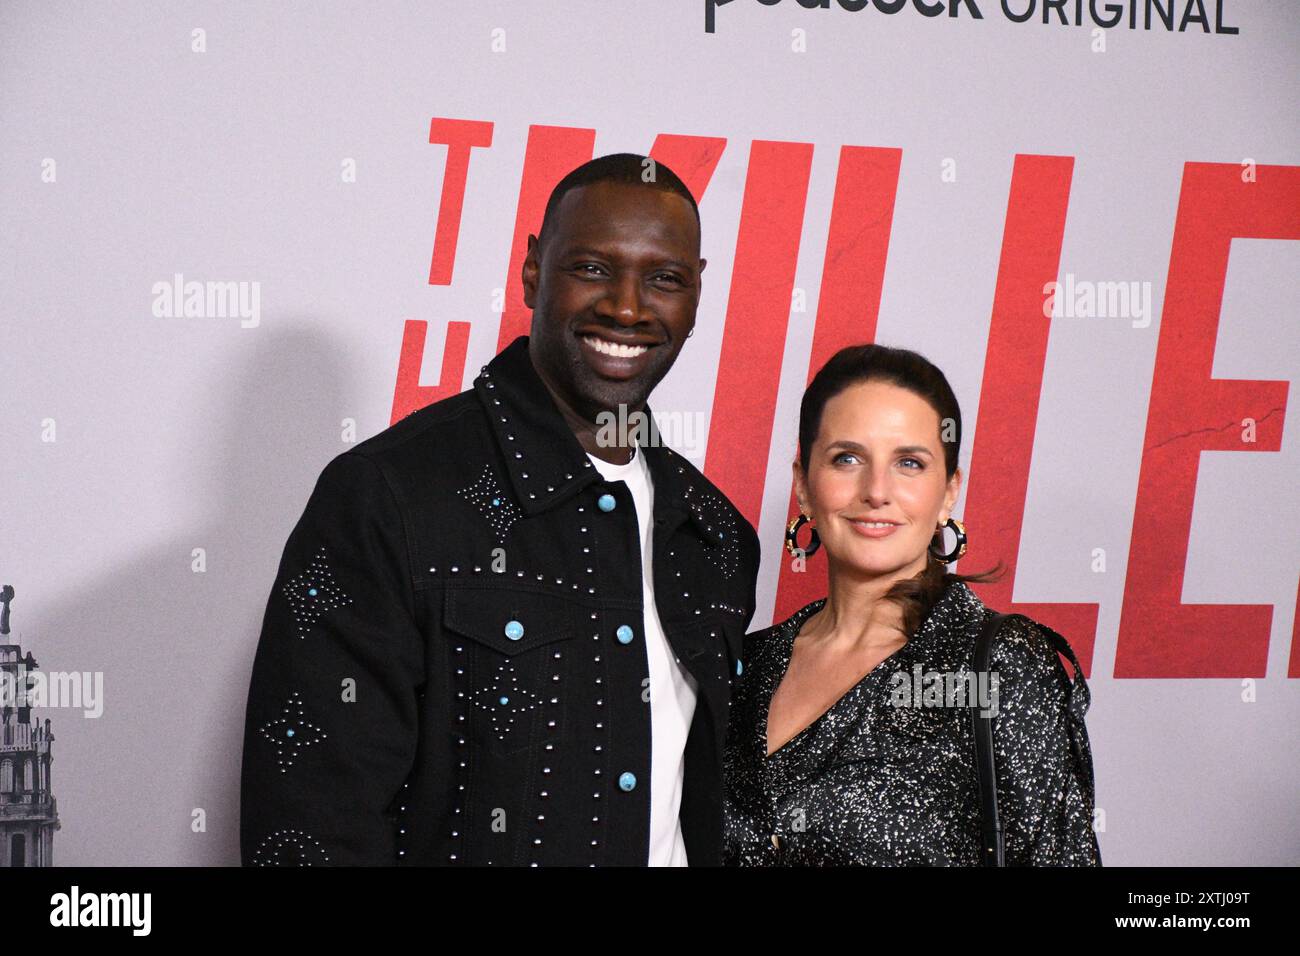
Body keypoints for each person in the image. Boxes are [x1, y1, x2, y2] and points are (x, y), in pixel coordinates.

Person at [239, 153, 761, 866]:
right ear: (532, 271)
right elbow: (308, 828)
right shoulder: (389, 497)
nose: (628, 307)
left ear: (697, 296)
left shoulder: (714, 534)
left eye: (664, 279)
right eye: (593, 268)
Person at [722, 343, 1101, 865]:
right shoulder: (746, 665)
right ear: (803, 486)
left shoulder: (999, 664)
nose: (877, 490)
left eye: (909, 463)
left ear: (948, 492)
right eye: (846, 458)